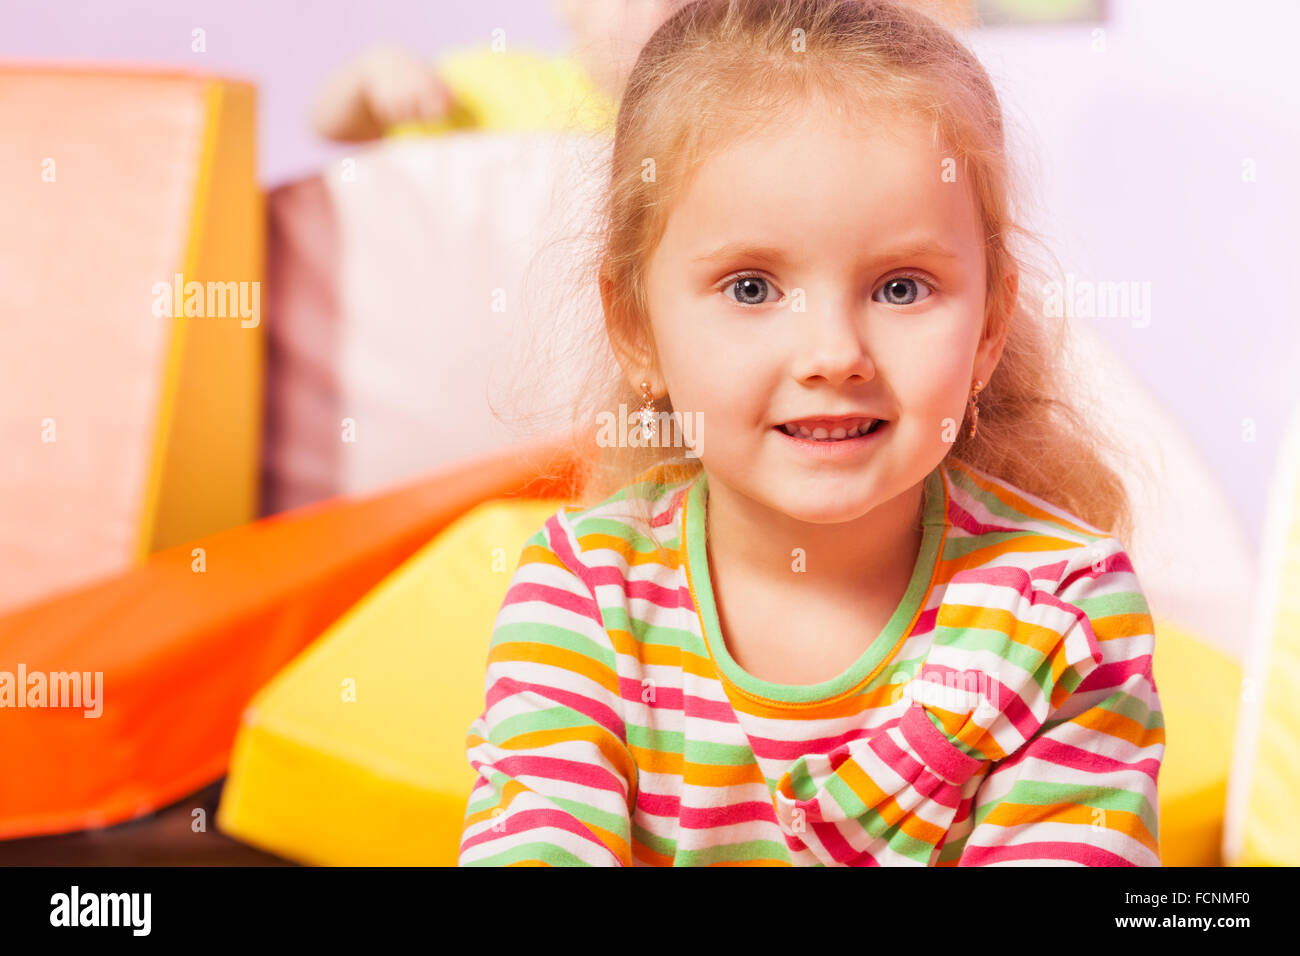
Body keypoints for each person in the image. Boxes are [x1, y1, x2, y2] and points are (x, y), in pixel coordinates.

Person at [457, 0, 1164, 866]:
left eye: (901, 288)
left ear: (988, 329)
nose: (834, 355)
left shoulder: (1063, 612)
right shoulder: (585, 597)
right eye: (751, 288)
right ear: (637, 328)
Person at [309, 0, 690, 141]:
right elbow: (335, 127)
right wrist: (376, 70)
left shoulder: (720, 116)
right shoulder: (498, 86)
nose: (676, 14)